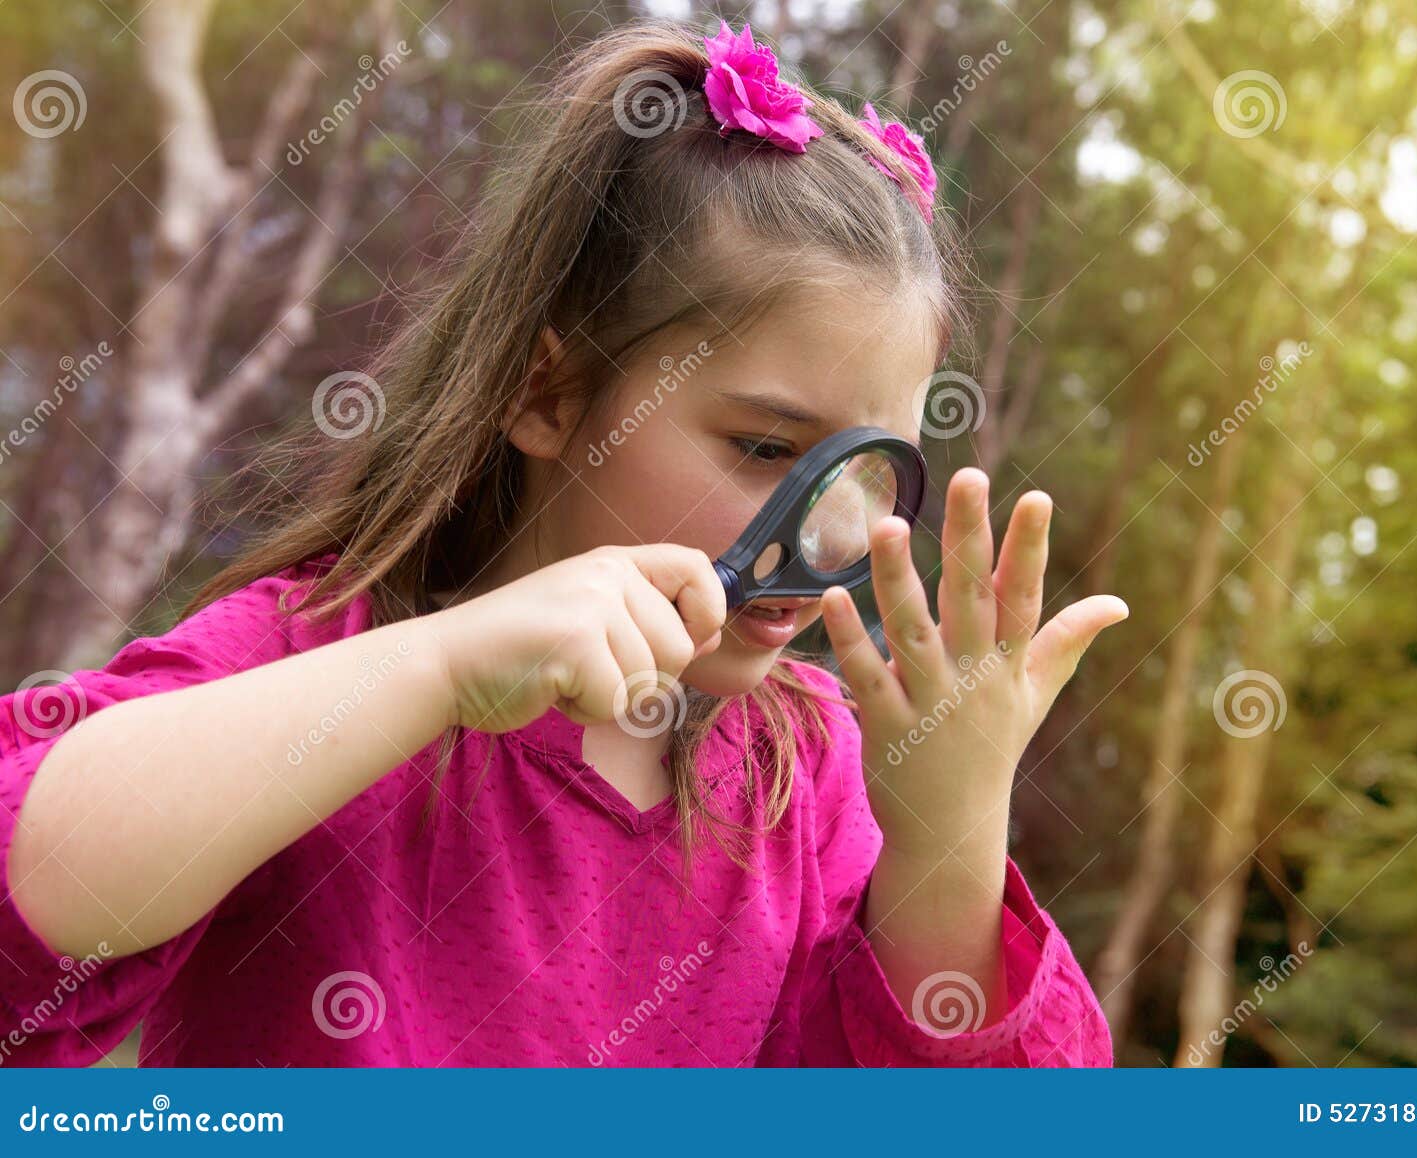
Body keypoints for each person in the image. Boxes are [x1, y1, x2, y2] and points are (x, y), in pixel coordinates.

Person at [0, 18, 1126, 1067]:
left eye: (864, 468)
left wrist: (947, 846)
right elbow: (33, 892)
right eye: (765, 447)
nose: (834, 533)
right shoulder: (329, 647)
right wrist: (431, 669)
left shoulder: (812, 774)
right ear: (549, 394)